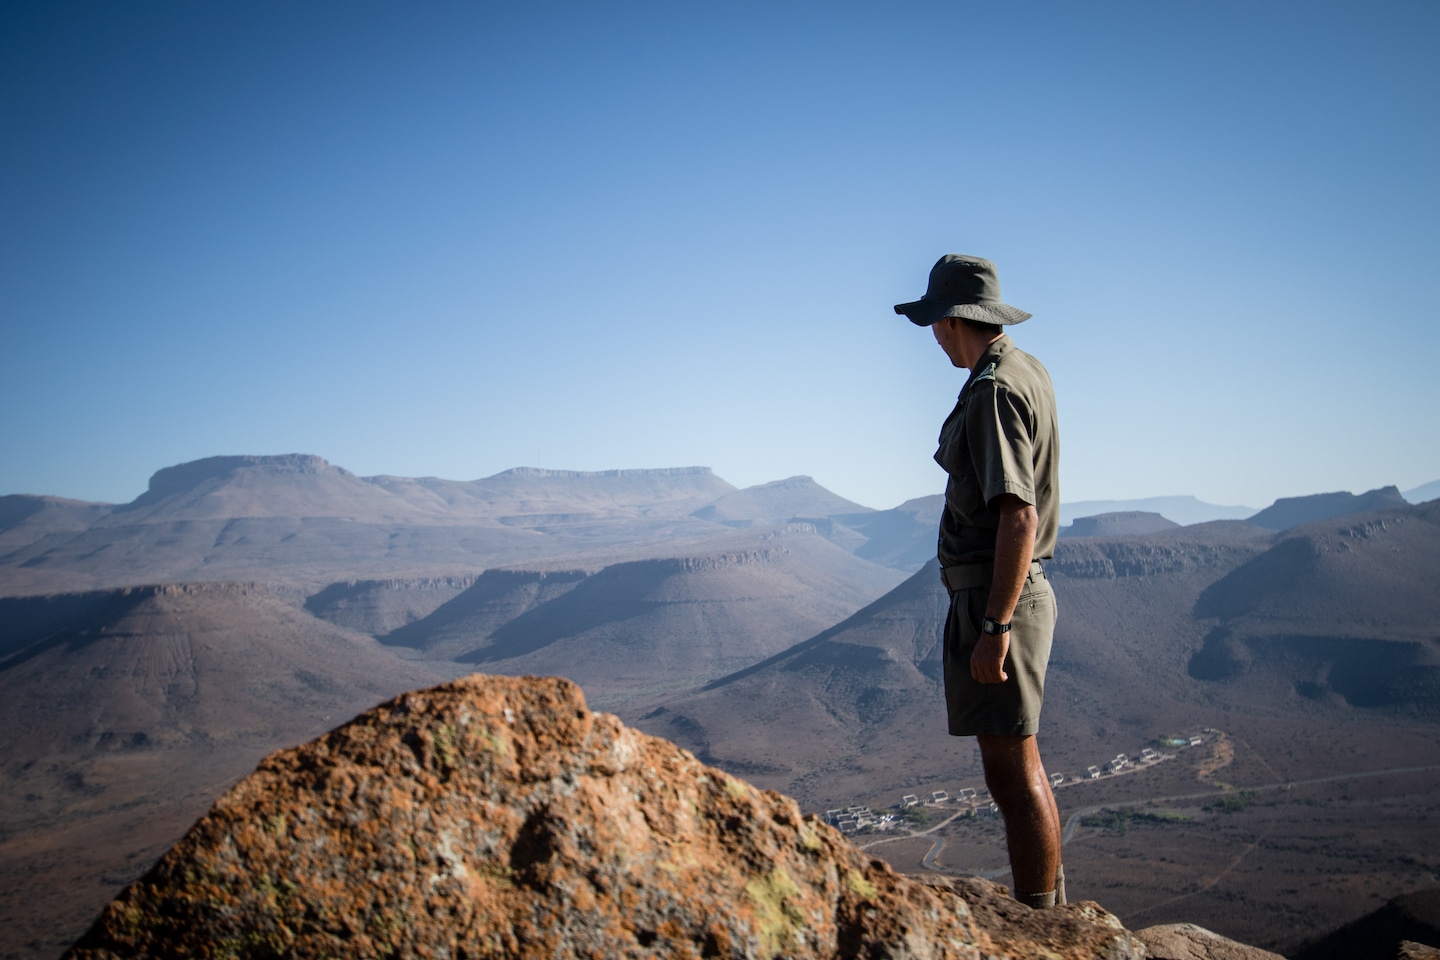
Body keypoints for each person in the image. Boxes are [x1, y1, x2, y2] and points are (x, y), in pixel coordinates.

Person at [894, 254, 1065, 909]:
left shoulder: (994, 390)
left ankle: (1041, 921)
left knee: (1013, 773)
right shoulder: (1027, 370)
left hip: (1001, 601)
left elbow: (1017, 516)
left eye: (935, 322)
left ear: (953, 319)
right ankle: (1048, 910)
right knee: (1018, 768)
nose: (933, 336)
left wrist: (995, 627)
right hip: (1008, 595)